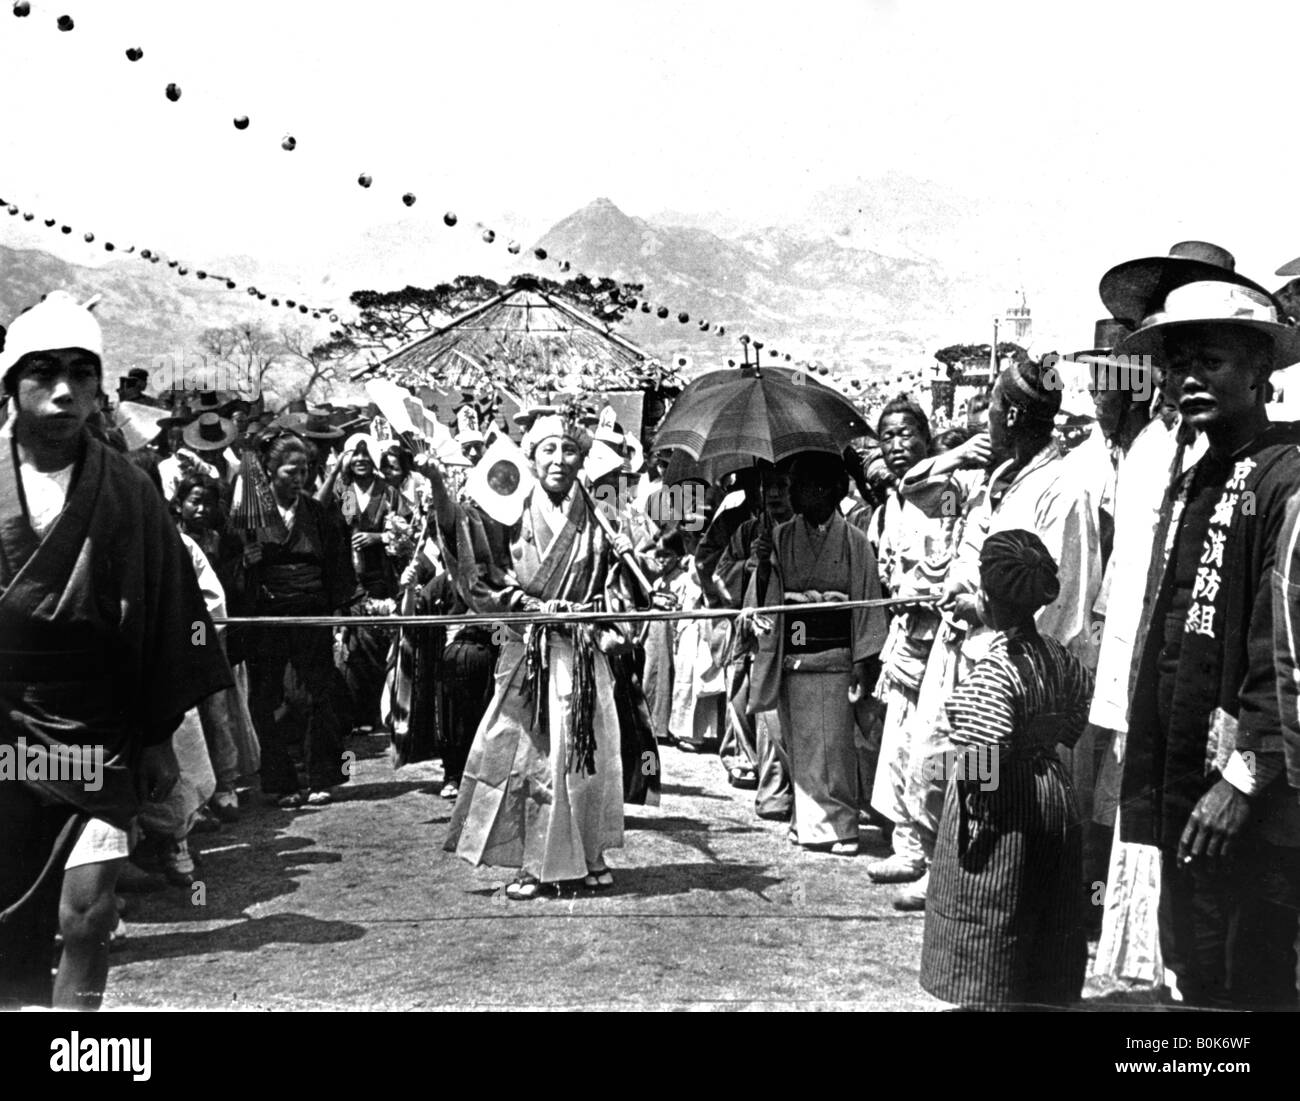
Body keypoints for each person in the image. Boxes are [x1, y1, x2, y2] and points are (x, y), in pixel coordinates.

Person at [0, 291, 231, 1009]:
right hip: (6, 728)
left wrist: (161, 736)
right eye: (43, 372)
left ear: (100, 387)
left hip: (102, 731)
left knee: (90, 915)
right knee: (10, 917)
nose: (64, 390)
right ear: (11, 383)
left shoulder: (128, 490)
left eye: (81, 372)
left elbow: (171, 610)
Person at [1117, 275, 1300, 1008]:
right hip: (1188, 779)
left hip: (1256, 796)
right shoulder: (1198, 476)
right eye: (1176, 361)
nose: (1188, 376)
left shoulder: (1287, 477)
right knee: (1192, 969)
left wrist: (1243, 778)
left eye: (1212, 361)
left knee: (1249, 978)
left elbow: (1283, 647)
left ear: (1259, 372)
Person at [443, 409, 640, 898]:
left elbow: (619, 587)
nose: (558, 459)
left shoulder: (599, 516)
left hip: (583, 649)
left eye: (568, 450)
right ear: (529, 457)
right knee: (528, 758)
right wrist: (532, 608)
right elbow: (482, 577)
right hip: (529, 649)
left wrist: (605, 610)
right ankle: (533, 865)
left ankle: (590, 855)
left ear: (581, 460)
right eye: (547, 449)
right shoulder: (508, 514)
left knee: (589, 755)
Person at [919, 530, 1094, 1009]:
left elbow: (985, 762)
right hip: (1051, 792)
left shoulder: (995, 669)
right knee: (1046, 912)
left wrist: (939, 770)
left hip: (1005, 809)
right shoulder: (1057, 655)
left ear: (986, 596)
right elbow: (1075, 717)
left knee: (996, 911)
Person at [744, 452, 888, 854]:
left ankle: (841, 826)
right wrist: (764, 565)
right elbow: (768, 599)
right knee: (797, 743)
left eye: (798, 486)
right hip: (793, 656)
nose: (790, 494)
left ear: (826, 489)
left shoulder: (855, 542)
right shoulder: (781, 536)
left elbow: (866, 601)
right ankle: (805, 822)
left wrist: (863, 661)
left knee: (835, 748)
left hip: (836, 657)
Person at [235, 433, 359, 808]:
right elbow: (227, 561)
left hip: (312, 609)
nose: (300, 477)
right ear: (271, 471)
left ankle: (321, 775)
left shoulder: (319, 513)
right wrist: (245, 562)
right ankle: (281, 780)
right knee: (266, 698)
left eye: (305, 470)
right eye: (292, 470)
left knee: (318, 693)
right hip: (267, 613)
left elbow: (338, 564)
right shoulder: (248, 514)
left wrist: (338, 610)